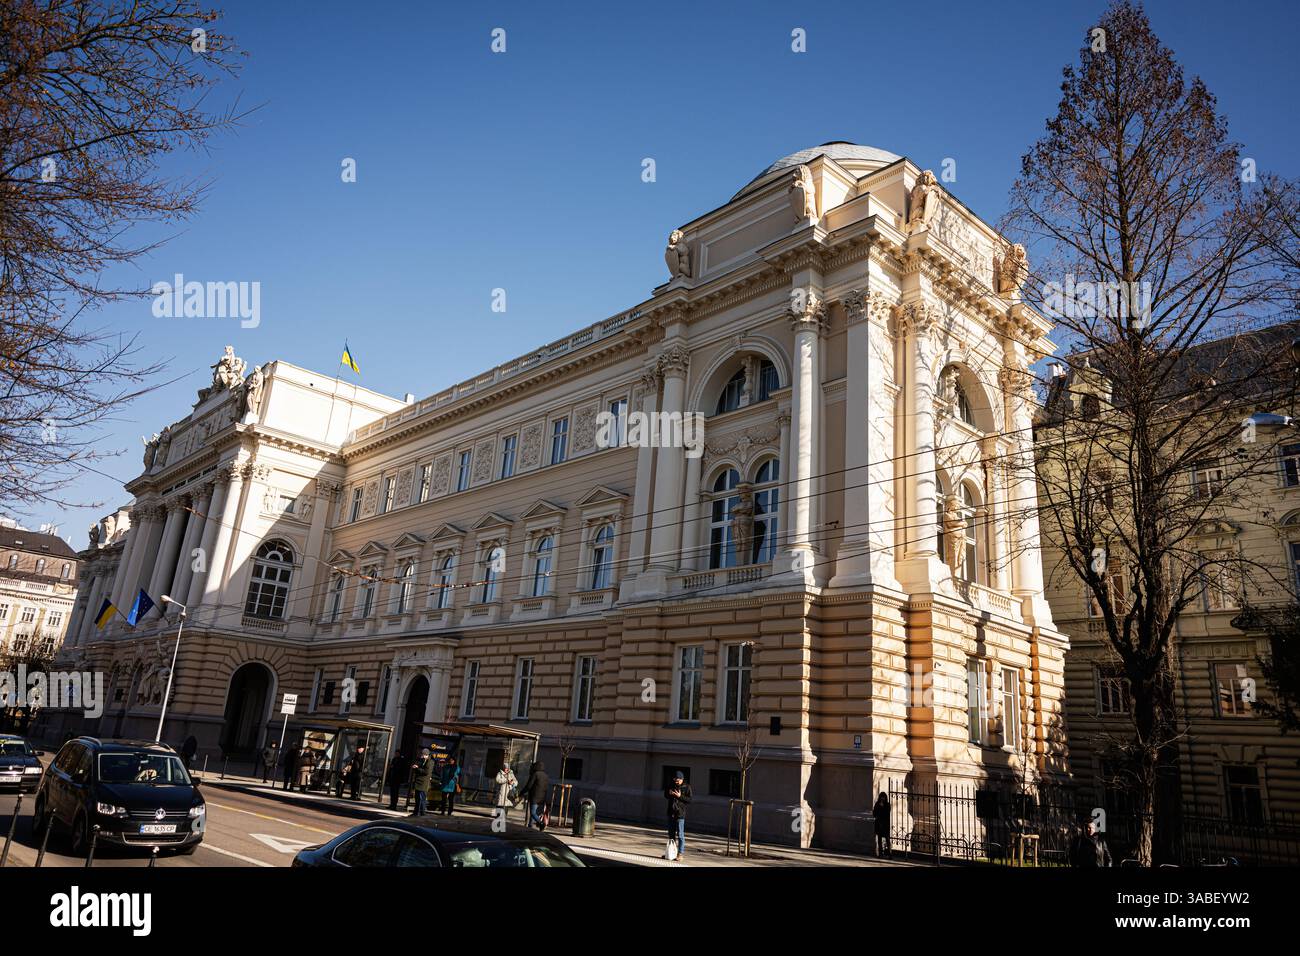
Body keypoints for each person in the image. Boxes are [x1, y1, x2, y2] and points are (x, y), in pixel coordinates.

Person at [665, 770, 692, 860]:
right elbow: (665, 795)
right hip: (671, 813)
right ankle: (672, 853)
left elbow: (689, 800)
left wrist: (680, 796)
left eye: (677, 780)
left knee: (680, 835)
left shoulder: (687, 787)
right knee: (671, 834)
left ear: (682, 779)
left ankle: (680, 854)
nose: (676, 781)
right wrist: (669, 794)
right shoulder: (671, 785)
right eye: (675, 779)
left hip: (680, 814)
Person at [519, 761, 549, 830]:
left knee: (532, 813)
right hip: (542, 797)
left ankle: (541, 823)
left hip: (535, 796)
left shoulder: (535, 774)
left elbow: (529, 786)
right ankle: (530, 825)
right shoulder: (545, 775)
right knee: (535, 812)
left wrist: (522, 793)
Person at [411, 748, 435, 816]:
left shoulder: (430, 762)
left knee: (422, 799)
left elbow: (426, 772)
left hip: (423, 783)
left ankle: (422, 813)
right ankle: (416, 812)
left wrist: (417, 768)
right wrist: (415, 768)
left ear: (427, 754)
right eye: (422, 754)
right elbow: (420, 769)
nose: (422, 756)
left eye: (423, 754)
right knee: (417, 798)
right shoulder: (423, 760)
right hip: (419, 782)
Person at [873, 792, 892, 858]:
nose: (882, 798)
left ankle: (889, 853)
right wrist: (879, 807)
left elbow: (887, 813)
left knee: (887, 839)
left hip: (885, 824)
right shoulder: (877, 804)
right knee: (879, 839)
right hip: (879, 823)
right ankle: (880, 853)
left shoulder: (887, 804)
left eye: (883, 797)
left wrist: (882, 807)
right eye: (881, 797)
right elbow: (874, 813)